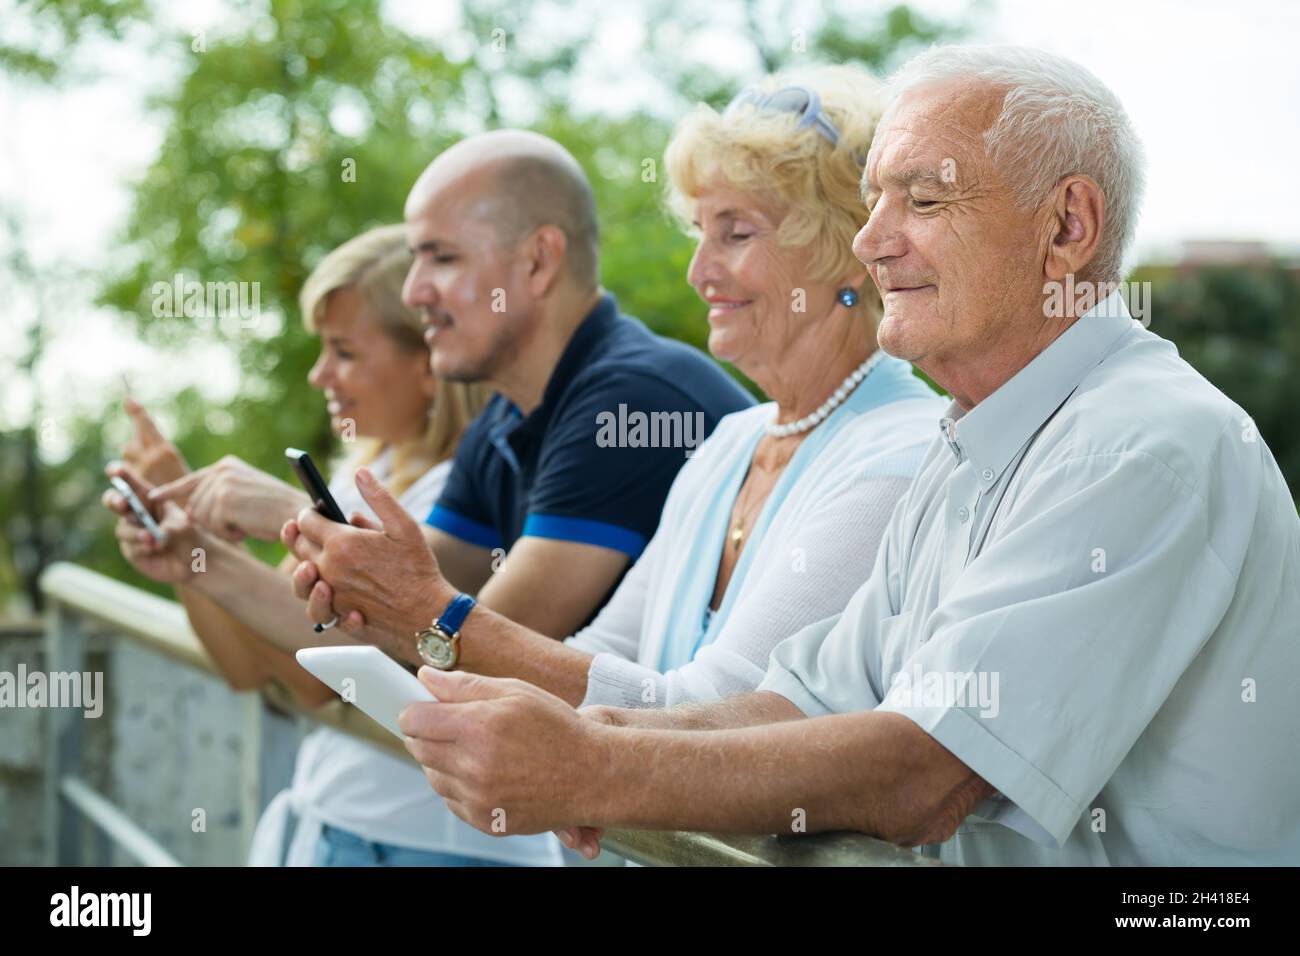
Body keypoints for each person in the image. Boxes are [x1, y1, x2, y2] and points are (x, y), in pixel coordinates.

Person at [395, 45, 1300, 867]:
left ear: (1067, 228)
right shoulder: (971, 443)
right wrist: (585, 741)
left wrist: (594, 766)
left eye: (925, 198)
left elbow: (924, 773)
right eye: (874, 200)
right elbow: (798, 702)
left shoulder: (1137, 443)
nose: (873, 239)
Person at [280, 66, 941, 728]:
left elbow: (717, 714)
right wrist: (389, 601)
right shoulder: (730, 448)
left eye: (736, 233)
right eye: (700, 231)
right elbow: (598, 662)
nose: (699, 271)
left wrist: (430, 612)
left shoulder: (901, 453)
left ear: (855, 249)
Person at [106, 225, 552, 867]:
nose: (320, 375)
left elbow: (313, 676)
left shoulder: (457, 502)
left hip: (439, 847)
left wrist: (212, 549)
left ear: (427, 365)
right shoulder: (352, 478)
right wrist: (192, 554)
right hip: (338, 822)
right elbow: (249, 665)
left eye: (344, 352)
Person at [280, 129, 753, 653]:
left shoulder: (627, 405)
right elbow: (424, 592)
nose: (414, 292)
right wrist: (351, 580)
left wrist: (352, 580)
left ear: (538, 260)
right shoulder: (505, 414)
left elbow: (474, 653)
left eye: (442, 258)